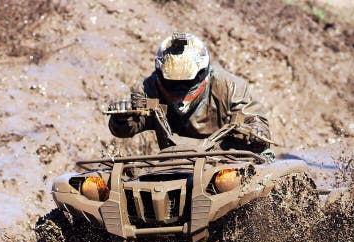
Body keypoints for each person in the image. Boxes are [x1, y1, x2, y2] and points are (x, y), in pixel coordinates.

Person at [108, 32, 274, 159]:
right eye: (173, 83)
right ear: (160, 73)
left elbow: (256, 121)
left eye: (187, 83)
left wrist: (256, 131)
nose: (180, 89)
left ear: (203, 73)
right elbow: (126, 129)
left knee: (263, 172)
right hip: (174, 163)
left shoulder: (230, 87)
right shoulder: (148, 89)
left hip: (228, 160)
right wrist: (123, 118)